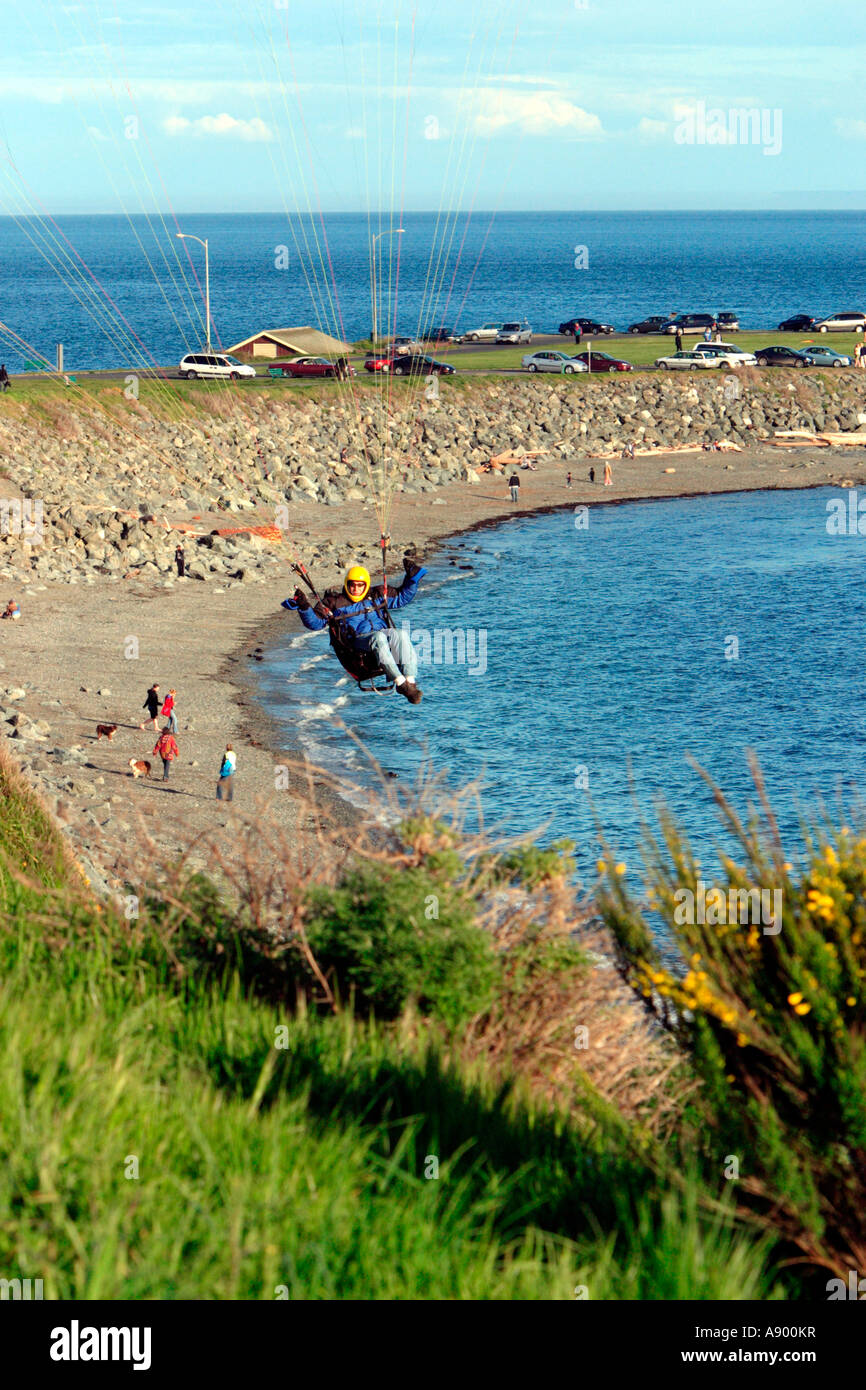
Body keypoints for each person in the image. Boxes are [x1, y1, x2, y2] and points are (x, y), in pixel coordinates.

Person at [282, 556, 427, 703]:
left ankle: (410, 680)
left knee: (400, 634)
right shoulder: (334, 603)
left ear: (366, 585)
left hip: (380, 635)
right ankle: (400, 683)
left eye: (360, 585)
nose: (356, 589)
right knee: (378, 637)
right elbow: (316, 623)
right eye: (352, 585)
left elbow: (401, 597)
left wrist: (411, 578)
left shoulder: (376, 595)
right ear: (347, 584)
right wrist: (304, 606)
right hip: (357, 643)